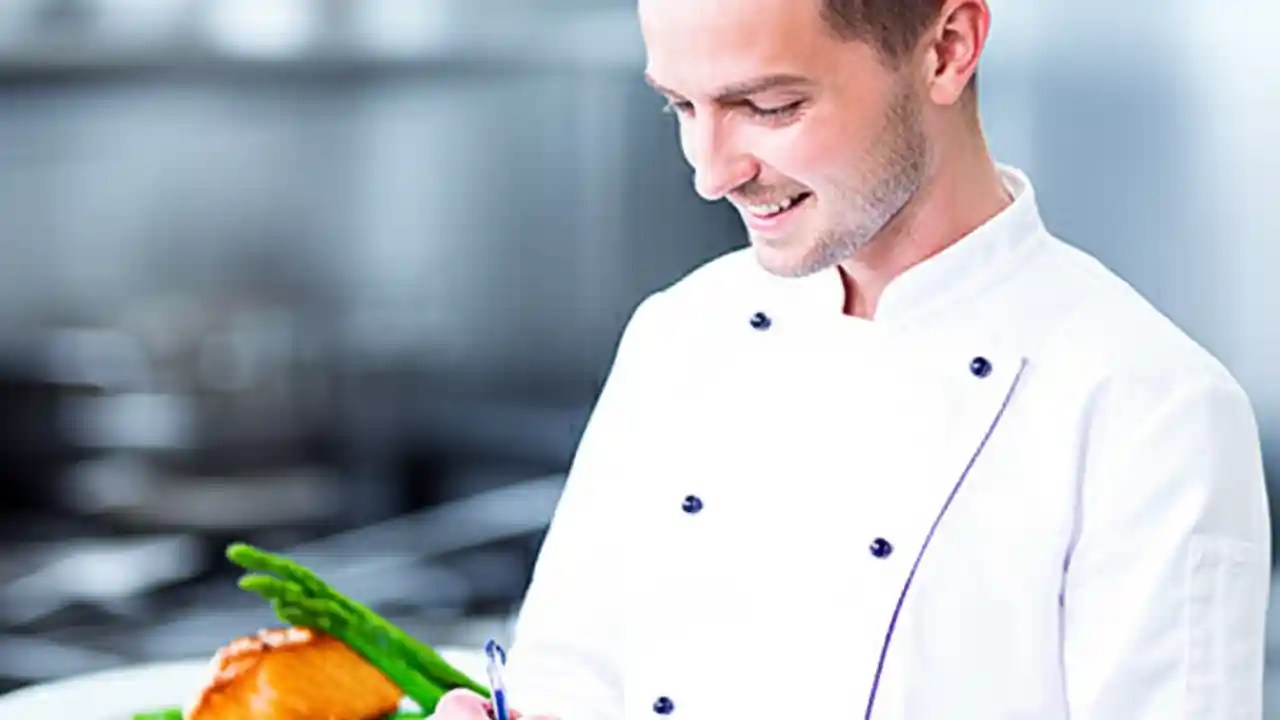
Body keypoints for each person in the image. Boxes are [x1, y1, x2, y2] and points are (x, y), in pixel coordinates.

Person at [431, 0, 1272, 717]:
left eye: (767, 106)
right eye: (680, 108)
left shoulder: (1151, 410)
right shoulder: (679, 333)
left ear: (947, 50)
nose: (711, 174)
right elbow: (571, 676)